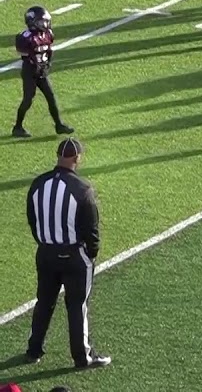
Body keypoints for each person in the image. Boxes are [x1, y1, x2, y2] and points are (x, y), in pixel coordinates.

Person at [25, 138, 110, 369]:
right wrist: (91, 254)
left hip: (45, 253)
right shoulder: (82, 189)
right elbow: (92, 230)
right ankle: (82, 357)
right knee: (77, 306)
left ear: (58, 155)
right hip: (74, 256)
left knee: (44, 302)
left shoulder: (38, 184)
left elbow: (32, 219)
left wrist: (45, 243)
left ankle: (33, 350)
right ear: (77, 158)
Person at [12, 6, 73, 138]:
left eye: (45, 21)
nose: (45, 24)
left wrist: (47, 64)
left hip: (41, 70)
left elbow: (49, 50)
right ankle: (17, 127)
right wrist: (37, 64)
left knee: (51, 97)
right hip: (30, 71)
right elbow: (25, 54)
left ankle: (59, 125)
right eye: (41, 22)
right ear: (32, 22)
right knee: (28, 99)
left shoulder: (47, 34)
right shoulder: (26, 37)